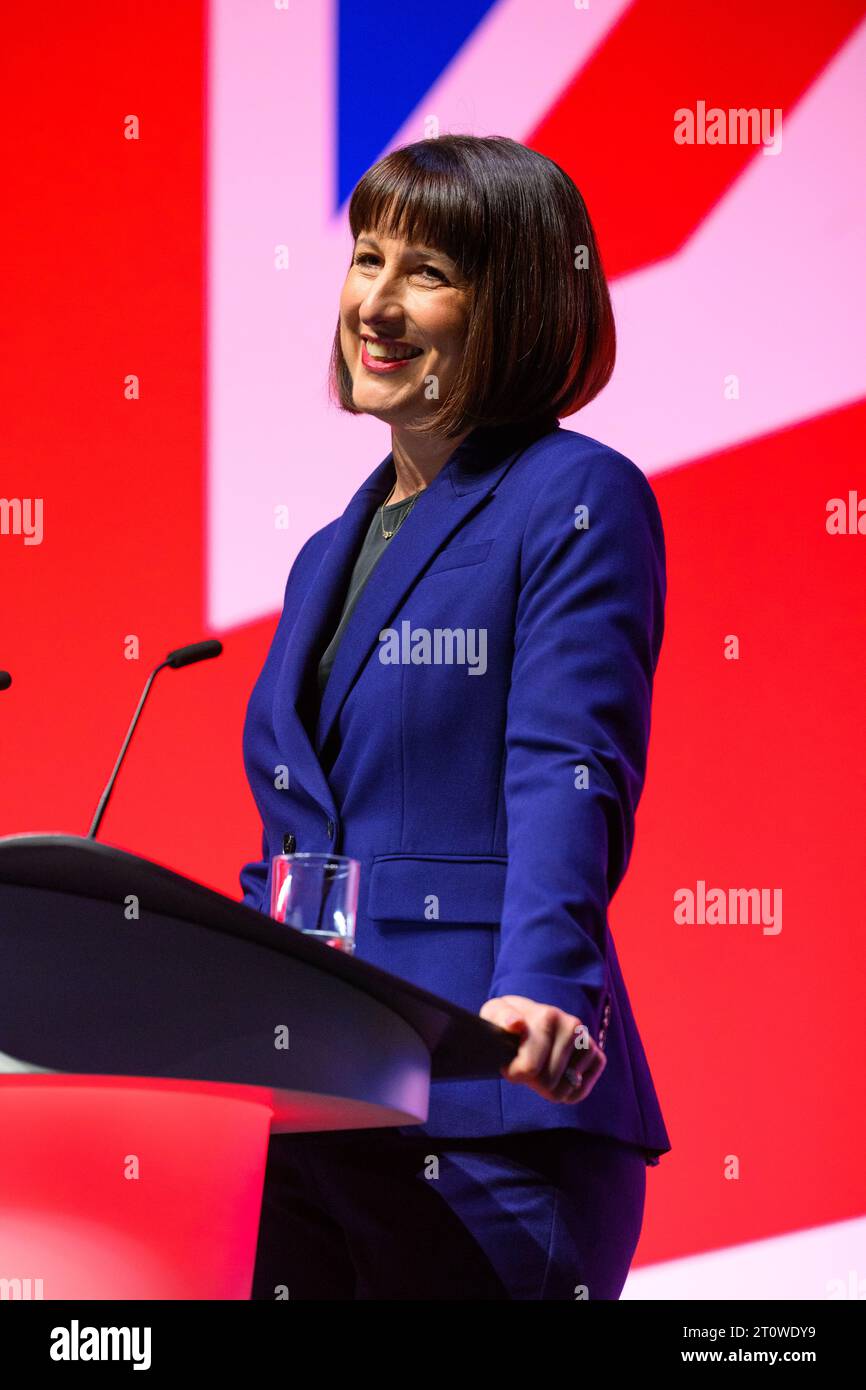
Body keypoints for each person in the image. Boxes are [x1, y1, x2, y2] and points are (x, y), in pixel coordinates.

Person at [239, 134, 671, 1300]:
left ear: (518, 303)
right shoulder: (326, 552)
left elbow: (566, 765)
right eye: (363, 257)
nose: (372, 303)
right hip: (313, 1119)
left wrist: (543, 985)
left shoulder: (571, 497)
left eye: (424, 271)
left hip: (490, 1111)